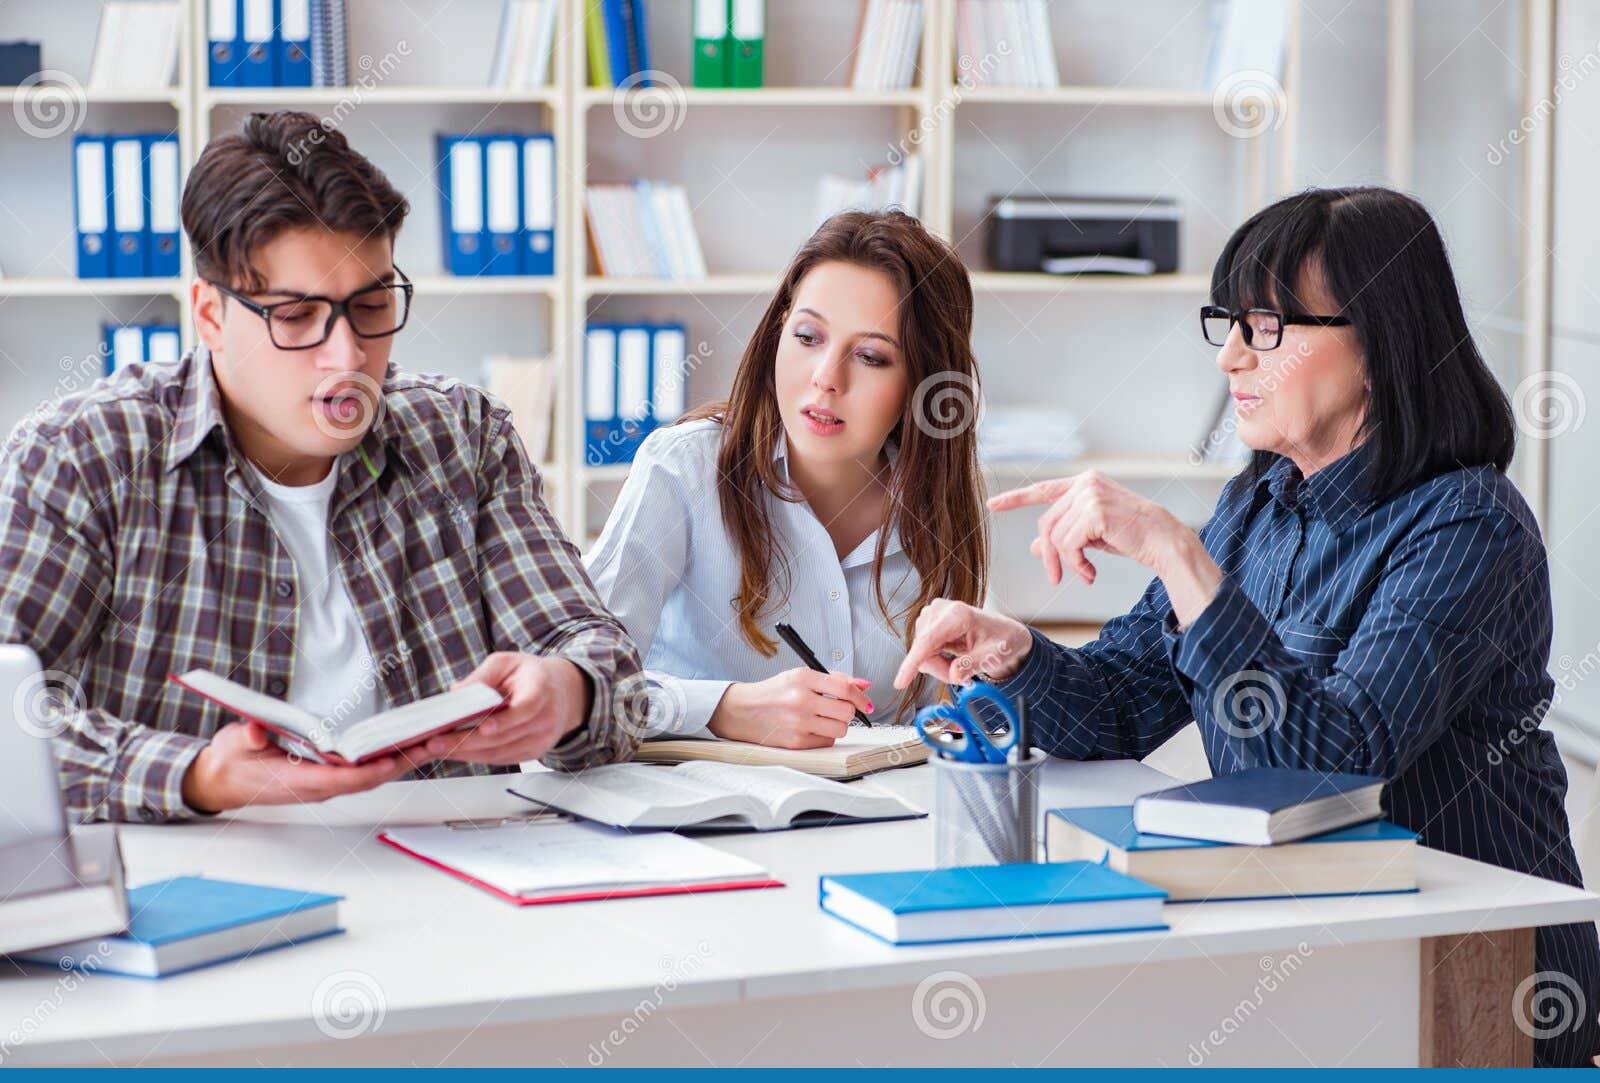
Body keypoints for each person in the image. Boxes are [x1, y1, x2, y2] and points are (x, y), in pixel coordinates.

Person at [894, 186, 1600, 1067]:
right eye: (1229, 322)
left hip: (1479, 985)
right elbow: (1123, 703)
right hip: (1322, 953)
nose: (1230, 357)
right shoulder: (1260, 503)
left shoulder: (1468, 525)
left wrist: (1179, 557)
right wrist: (1021, 655)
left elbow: (1320, 777)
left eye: (1265, 326)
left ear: (1379, 344)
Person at [0, 111, 641, 821]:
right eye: (298, 316)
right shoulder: (83, 455)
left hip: (450, 882)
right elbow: (8, 720)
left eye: (370, 305)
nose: (347, 357)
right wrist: (197, 774)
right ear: (209, 315)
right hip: (193, 885)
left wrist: (570, 691)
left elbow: (597, 652)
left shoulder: (465, 437)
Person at [585, 209, 987, 747]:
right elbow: (580, 689)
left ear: (926, 379)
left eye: (870, 356)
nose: (825, 378)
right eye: (807, 336)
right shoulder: (682, 468)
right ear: (779, 332)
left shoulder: (939, 505)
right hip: (699, 818)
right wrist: (723, 709)